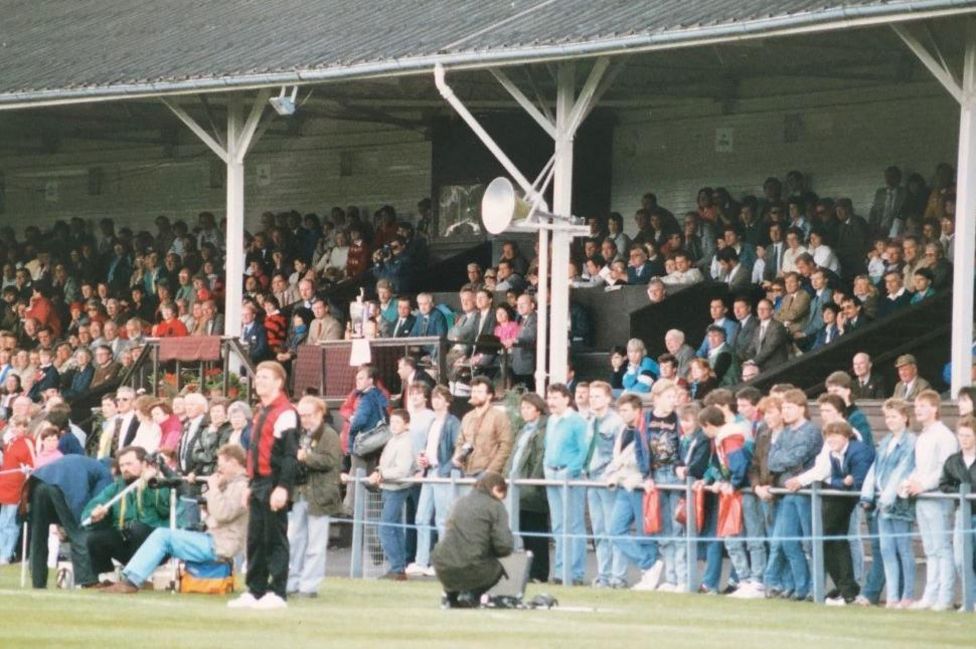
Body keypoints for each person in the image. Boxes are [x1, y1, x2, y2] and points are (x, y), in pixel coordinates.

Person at [103, 444, 250, 594]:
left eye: (221, 465)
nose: (219, 469)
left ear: (233, 463)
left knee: (162, 535)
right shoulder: (235, 484)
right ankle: (131, 579)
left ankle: (131, 581)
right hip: (216, 540)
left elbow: (223, 513)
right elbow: (221, 513)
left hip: (219, 545)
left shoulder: (241, 486)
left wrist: (214, 488)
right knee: (165, 535)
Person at [228, 361, 299, 610]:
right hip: (258, 482)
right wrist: (250, 483)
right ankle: (255, 589)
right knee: (255, 538)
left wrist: (283, 488)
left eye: (265, 377)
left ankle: (277, 591)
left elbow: (290, 455)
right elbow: (254, 452)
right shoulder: (261, 412)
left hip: (274, 482)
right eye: (258, 377)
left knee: (275, 538)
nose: (259, 381)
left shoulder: (286, 412)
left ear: (279, 382)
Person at [787, 421, 874, 605]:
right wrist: (843, 482)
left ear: (846, 436)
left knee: (830, 539)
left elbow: (858, 483)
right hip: (843, 497)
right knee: (827, 540)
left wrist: (842, 482)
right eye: (829, 436)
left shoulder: (859, 451)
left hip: (861, 501)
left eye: (836, 435)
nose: (831, 439)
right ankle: (845, 590)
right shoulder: (834, 453)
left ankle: (849, 590)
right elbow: (835, 479)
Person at [903, 390, 958, 611]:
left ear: (935, 408)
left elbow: (944, 469)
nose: (919, 410)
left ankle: (944, 597)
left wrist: (923, 485)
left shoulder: (944, 435)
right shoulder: (923, 435)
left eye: (924, 406)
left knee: (942, 548)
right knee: (930, 548)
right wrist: (909, 482)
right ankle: (930, 595)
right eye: (917, 406)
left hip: (937, 498)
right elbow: (920, 467)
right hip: (922, 498)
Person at [82, 446, 171, 580]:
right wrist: (94, 515)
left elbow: (165, 510)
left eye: (129, 464)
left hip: (155, 544)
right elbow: (90, 510)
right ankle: (107, 578)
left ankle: (134, 578)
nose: (124, 468)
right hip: (126, 541)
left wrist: (148, 485)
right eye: (122, 465)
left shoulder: (159, 484)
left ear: (145, 464)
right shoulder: (115, 488)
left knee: (137, 528)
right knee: (94, 538)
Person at [860, 398, 917, 609]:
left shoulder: (911, 441)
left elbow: (904, 469)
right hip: (880, 505)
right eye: (887, 416)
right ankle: (892, 596)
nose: (890, 420)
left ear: (905, 417)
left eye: (894, 416)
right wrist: (868, 495)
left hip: (898, 503)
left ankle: (907, 595)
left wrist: (887, 497)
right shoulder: (885, 441)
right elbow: (875, 469)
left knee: (903, 549)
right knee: (886, 550)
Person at [25, 454, 112, 588]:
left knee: (38, 537)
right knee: (78, 534)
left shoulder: (86, 462)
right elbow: (97, 502)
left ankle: (38, 582)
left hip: (39, 484)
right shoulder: (105, 471)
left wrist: (63, 524)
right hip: (62, 488)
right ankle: (87, 580)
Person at [431, 471, 514, 608]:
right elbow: (504, 545)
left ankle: (451, 596)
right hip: (472, 566)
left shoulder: (459, 502)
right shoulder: (496, 507)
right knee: (496, 568)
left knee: (459, 559)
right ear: (495, 489)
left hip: (442, 565)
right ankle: (471, 594)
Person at [287, 396, 341, 598]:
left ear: (319, 413)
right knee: (295, 540)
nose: (304, 419)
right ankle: (292, 581)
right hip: (301, 493)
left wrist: (306, 457)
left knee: (316, 544)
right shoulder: (301, 434)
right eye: (301, 415)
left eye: (308, 415)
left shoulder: (329, 434)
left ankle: (309, 585)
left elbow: (331, 461)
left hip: (320, 495)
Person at [409, 385, 461, 577]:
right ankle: (421, 560)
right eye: (434, 397)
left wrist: (447, 469)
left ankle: (442, 561)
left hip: (441, 472)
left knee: (442, 518)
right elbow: (429, 447)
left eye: (440, 398)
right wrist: (422, 459)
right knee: (421, 516)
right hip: (429, 471)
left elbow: (458, 447)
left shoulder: (452, 422)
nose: (436, 401)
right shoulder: (433, 422)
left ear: (447, 401)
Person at [542, 383, 588, 586]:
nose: (551, 402)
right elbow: (547, 447)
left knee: (574, 524)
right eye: (549, 398)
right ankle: (561, 571)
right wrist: (546, 468)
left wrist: (571, 471)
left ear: (566, 399)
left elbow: (584, 450)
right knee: (559, 525)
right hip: (552, 473)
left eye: (555, 398)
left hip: (569, 476)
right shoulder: (552, 420)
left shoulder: (577, 421)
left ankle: (575, 572)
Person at [584, 381, 623, 588]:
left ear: (608, 399)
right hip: (591, 478)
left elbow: (619, 453)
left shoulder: (616, 422)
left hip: (607, 479)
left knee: (611, 529)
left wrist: (611, 474)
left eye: (598, 396)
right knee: (598, 530)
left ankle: (617, 575)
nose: (593, 400)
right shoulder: (589, 420)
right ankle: (603, 573)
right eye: (591, 396)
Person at [370, 408, 416, 580]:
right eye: (392, 422)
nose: (394, 425)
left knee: (386, 527)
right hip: (388, 487)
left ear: (406, 424)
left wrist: (382, 474)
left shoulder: (406, 442)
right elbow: (384, 463)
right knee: (394, 527)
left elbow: (402, 470)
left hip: (397, 487)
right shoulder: (393, 440)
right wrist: (378, 471)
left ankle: (397, 567)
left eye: (398, 422)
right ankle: (399, 566)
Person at [939, 413, 976, 610]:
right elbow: (943, 484)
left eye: (968, 435)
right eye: (961, 435)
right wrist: (960, 492)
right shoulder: (953, 460)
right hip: (962, 513)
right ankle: (970, 598)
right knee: (961, 559)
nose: (964, 439)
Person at [453, 377, 512, 477]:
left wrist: (492, 470)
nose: (475, 394)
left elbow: (506, 446)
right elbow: (460, 442)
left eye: (479, 392)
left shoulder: (499, 416)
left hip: (488, 474)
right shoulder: (467, 417)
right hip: (467, 472)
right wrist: (458, 456)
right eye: (473, 391)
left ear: (489, 395)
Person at [0, 416, 34, 563]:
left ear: (25, 427)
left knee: (11, 523)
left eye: (19, 426)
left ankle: (7, 554)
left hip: (17, 488)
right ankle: (2, 550)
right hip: (5, 486)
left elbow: (32, 464)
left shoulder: (28, 442)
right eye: (14, 426)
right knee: (3, 522)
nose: (15, 429)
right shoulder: (9, 443)